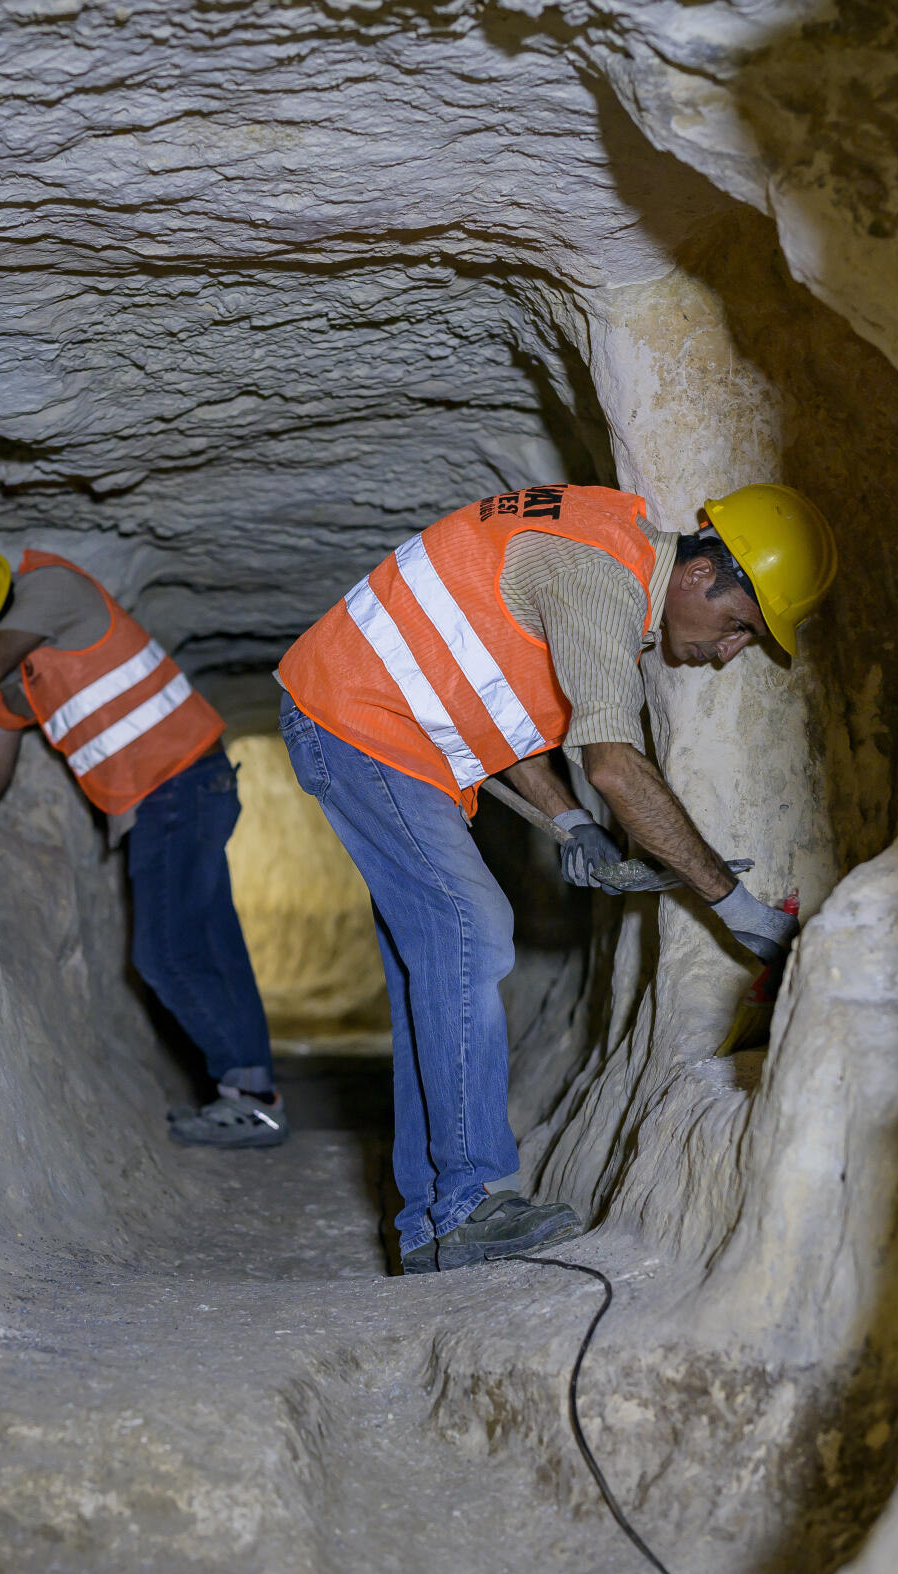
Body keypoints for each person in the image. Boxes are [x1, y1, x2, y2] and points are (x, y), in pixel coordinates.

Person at [275, 482, 837, 1272]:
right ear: (702, 574)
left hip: (381, 725)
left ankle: (431, 1226)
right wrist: (733, 904)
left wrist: (569, 822)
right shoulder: (603, 570)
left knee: (428, 963)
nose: (728, 649)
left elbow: (491, 704)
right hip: (361, 720)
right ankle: (470, 1204)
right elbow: (614, 764)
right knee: (471, 926)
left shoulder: (605, 556)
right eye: (739, 626)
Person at [0, 546, 286, 1149]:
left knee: (164, 955)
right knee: (211, 946)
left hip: (179, 783)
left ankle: (251, 1100)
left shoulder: (54, 587)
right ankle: (255, 1094)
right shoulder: (8, 685)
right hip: (175, 795)